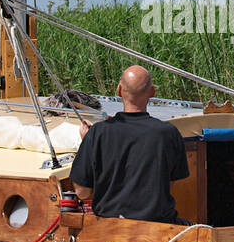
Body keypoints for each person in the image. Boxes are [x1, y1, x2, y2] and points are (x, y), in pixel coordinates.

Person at [70, 65, 189, 224]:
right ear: (152, 93)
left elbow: (82, 192)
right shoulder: (169, 133)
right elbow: (168, 184)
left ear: (119, 91)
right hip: (159, 227)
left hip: (111, 227)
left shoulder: (97, 133)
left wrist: (89, 141)